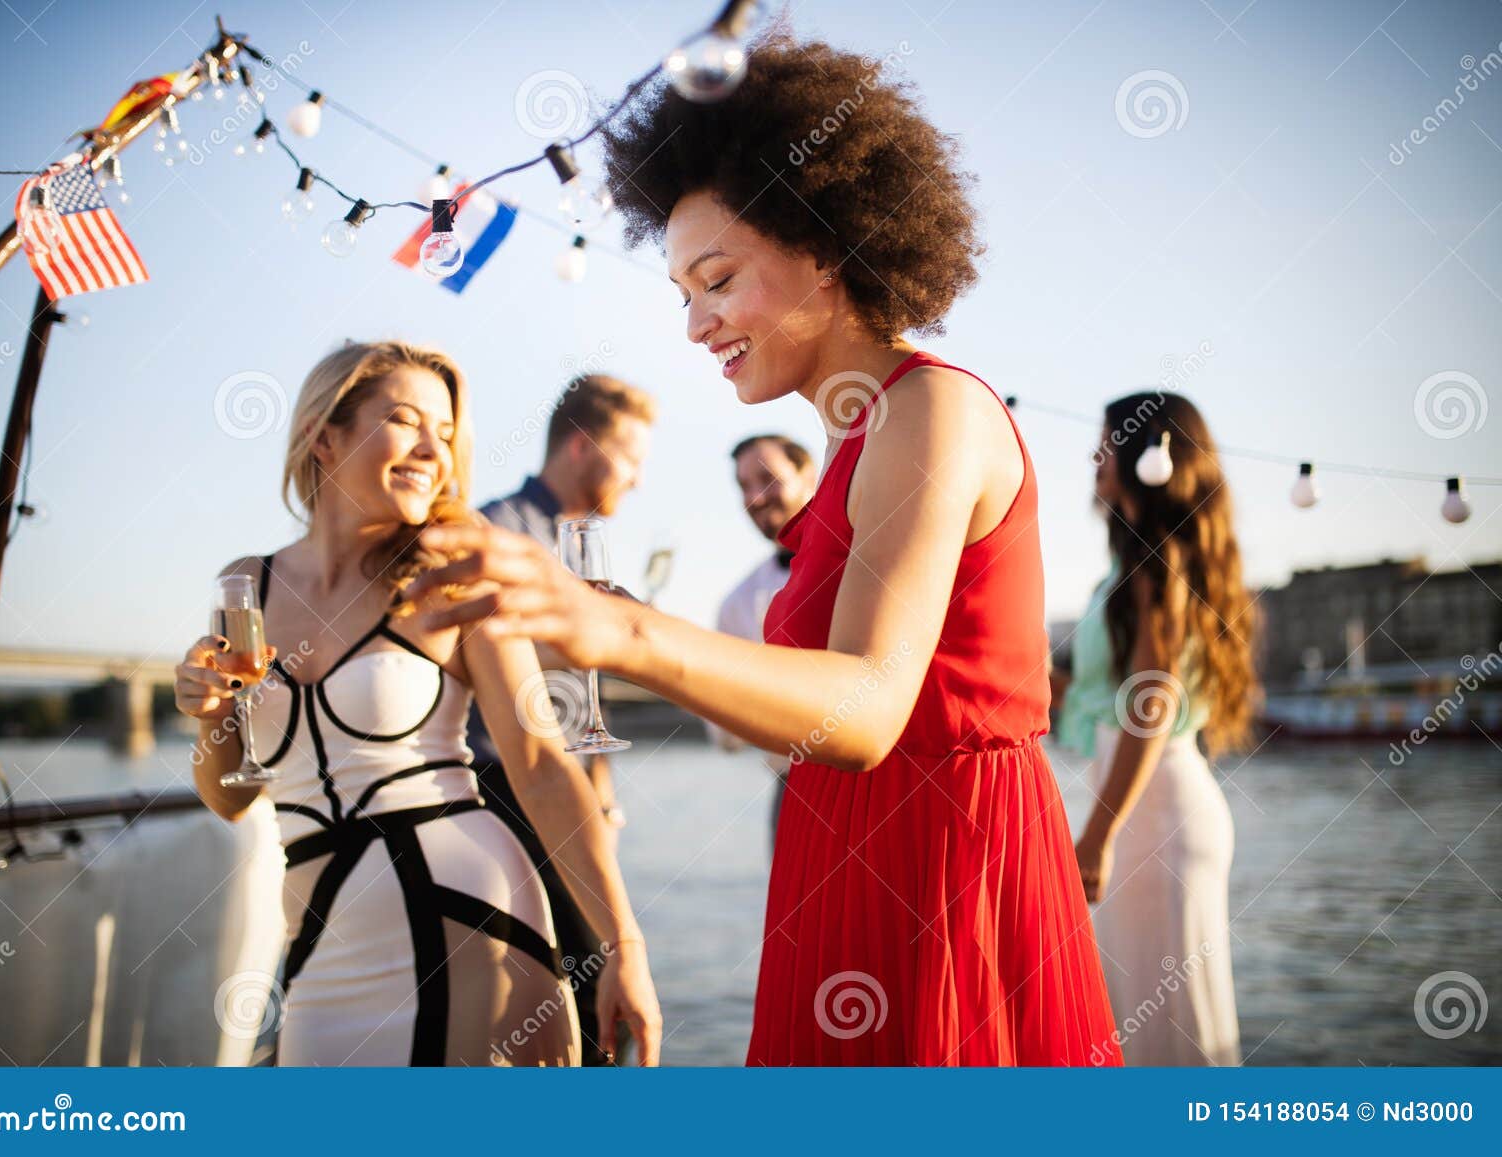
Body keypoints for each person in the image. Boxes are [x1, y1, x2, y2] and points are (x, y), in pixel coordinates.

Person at [400, 37, 1122, 1066]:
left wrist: (624, 629)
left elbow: (867, 706)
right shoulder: (848, 438)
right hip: (845, 852)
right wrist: (593, 624)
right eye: (682, 294)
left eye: (716, 279)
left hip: (942, 870)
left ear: (822, 247)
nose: (694, 324)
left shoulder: (932, 408)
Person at [174, 340, 660, 1067]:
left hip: (462, 920)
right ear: (323, 434)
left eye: (445, 431)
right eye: (406, 420)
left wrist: (624, 944)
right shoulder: (246, 586)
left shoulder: (459, 570)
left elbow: (538, 764)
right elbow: (234, 798)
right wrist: (211, 715)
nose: (433, 448)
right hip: (317, 946)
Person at [1060, 392, 1255, 1066]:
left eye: (1105, 444)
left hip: (1157, 817)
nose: (1094, 458)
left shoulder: (1158, 563)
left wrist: (1096, 834)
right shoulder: (1132, 567)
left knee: (1174, 1036)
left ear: (1151, 454)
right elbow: (1104, 697)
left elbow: (1152, 705)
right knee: (1146, 1030)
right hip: (1143, 809)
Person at [465, 372, 654, 1065]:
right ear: (580, 446)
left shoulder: (582, 548)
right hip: (506, 795)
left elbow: (579, 690)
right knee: (577, 988)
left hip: (571, 798)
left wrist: (601, 782)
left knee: (602, 987)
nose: (637, 477)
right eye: (630, 454)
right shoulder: (496, 533)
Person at [706, 434, 817, 846]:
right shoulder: (737, 603)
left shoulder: (867, 561)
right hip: (796, 796)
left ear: (809, 475)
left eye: (767, 479)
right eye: (743, 486)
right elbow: (727, 738)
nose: (755, 498)